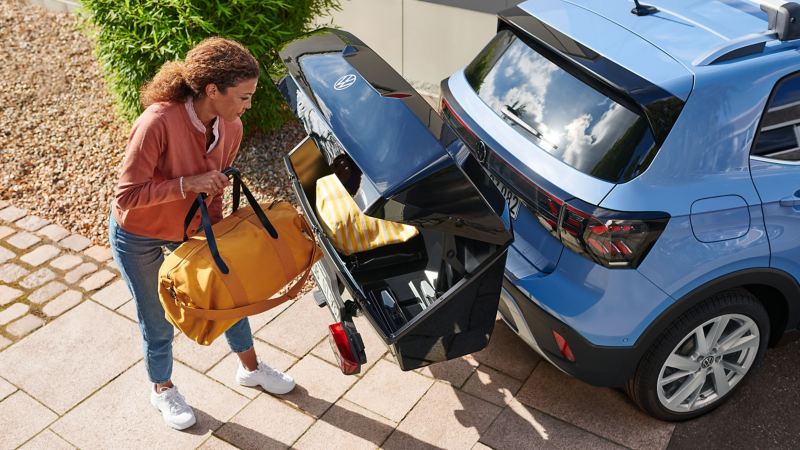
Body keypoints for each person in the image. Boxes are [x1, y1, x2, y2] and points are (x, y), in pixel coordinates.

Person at [109, 37, 294, 431]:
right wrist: (187, 183)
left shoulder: (232, 127)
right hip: (138, 233)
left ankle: (251, 368)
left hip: (189, 228)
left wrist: (213, 229)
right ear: (213, 90)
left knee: (229, 294)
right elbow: (126, 196)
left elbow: (214, 184)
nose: (248, 105)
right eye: (243, 96)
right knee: (156, 318)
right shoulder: (157, 122)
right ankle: (162, 389)